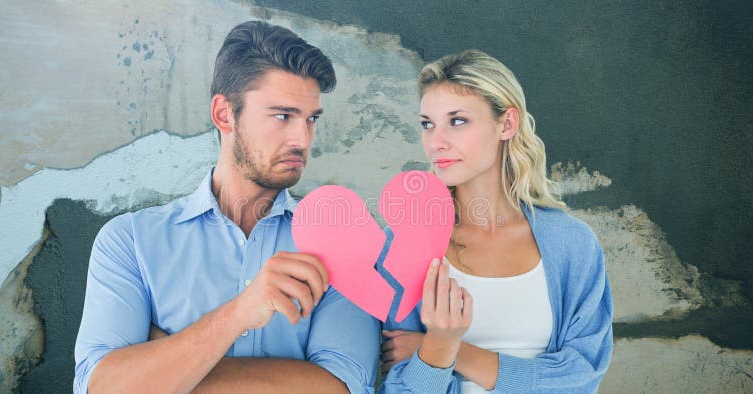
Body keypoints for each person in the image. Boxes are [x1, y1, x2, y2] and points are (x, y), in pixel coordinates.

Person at [73, 21, 380, 394]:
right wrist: (239, 313)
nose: (302, 139)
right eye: (283, 116)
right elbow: (102, 388)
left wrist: (166, 367)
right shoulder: (130, 242)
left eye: (310, 119)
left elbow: (342, 388)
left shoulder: (340, 244)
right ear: (224, 114)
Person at [379, 50, 613, 393]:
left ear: (507, 124)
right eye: (427, 124)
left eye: (457, 121)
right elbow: (398, 388)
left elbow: (582, 375)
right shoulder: (404, 242)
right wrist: (439, 348)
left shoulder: (572, 244)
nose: (436, 142)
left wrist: (449, 350)